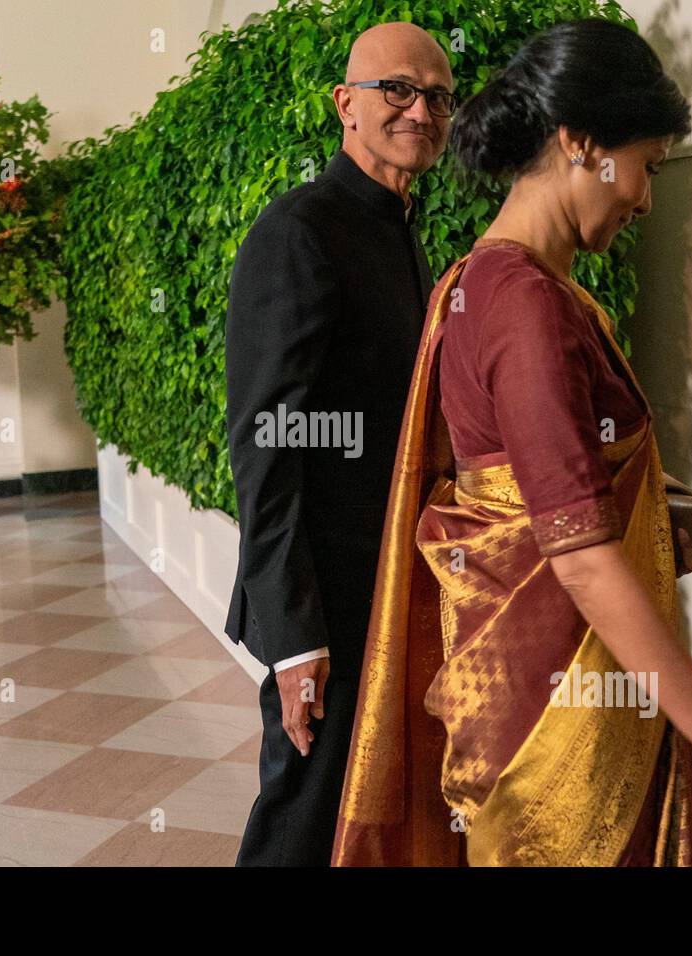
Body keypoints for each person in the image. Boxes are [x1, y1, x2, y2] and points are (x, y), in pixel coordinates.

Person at [332, 17, 692, 866]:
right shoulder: (528, 305)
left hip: (531, 683)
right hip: (559, 724)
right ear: (582, 142)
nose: (645, 198)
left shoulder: (485, 280)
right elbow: (579, 558)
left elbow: (515, 489)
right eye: (647, 167)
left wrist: (641, 513)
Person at [224, 22, 454, 865]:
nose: (420, 110)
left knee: (360, 822)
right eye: (398, 88)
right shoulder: (301, 232)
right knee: (304, 817)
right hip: (325, 601)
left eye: (437, 95)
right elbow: (266, 442)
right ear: (345, 104)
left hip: (385, 583)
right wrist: (295, 637)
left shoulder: (397, 228)